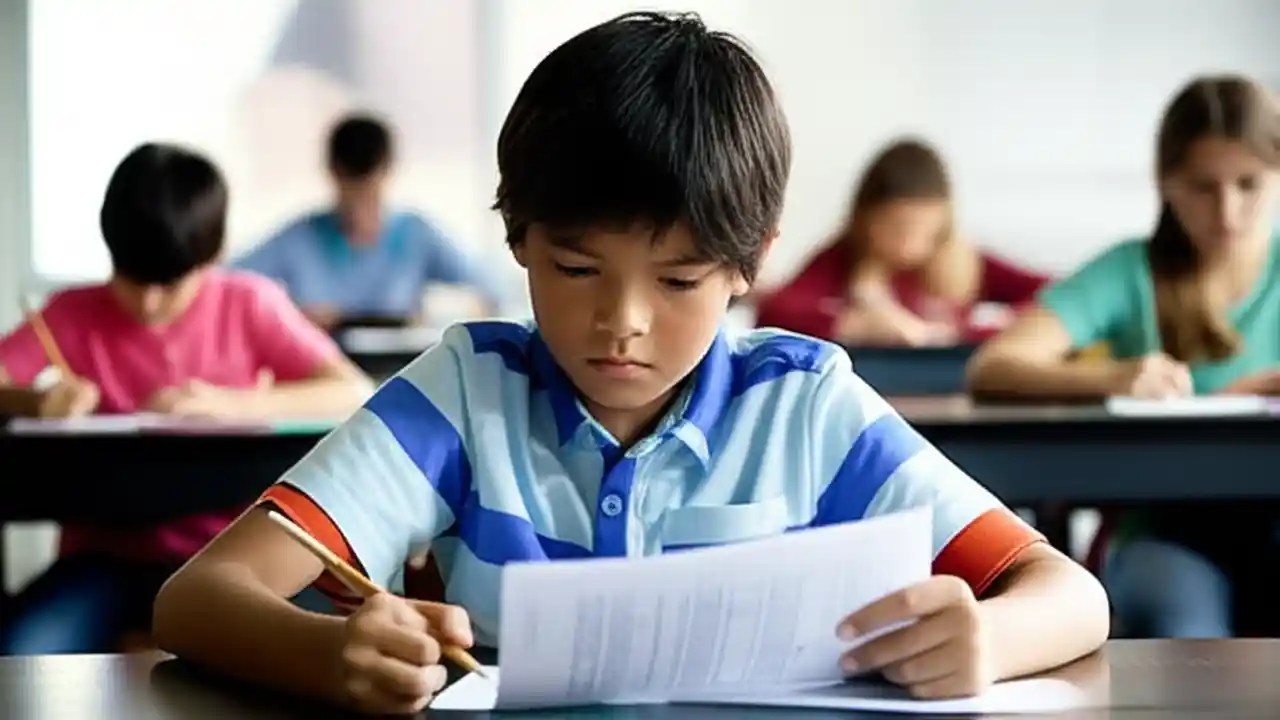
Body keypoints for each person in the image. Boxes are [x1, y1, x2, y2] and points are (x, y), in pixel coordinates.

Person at [153, 12, 1108, 714]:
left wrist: (986, 638)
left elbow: (1070, 595)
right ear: (518, 239)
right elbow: (198, 600)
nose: (622, 323)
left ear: (751, 262)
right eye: (575, 268)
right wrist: (332, 655)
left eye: (681, 279)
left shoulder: (807, 407)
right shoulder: (466, 394)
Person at [0, 142, 372, 654]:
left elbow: (351, 389)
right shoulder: (71, 312)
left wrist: (231, 404)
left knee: (323, 653)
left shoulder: (247, 303)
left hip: (228, 558)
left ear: (209, 256)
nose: (149, 302)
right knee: (20, 652)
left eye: (170, 283)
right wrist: (31, 402)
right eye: (132, 280)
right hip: (102, 563)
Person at [966, 75, 1280, 637]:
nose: (1227, 211)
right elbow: (994, 365)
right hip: (1164, 535)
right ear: (1167, 185)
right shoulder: (1129, 271)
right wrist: (1116, 376)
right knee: (1187, 635)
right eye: (1203, 187)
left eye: (1249, 184)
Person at [755, 138, 1049, 346]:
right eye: (897, 229)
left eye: (926, 231)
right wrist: (854, 324)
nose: (910, 245)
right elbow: (775, 312)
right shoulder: (841, 259)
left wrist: (955, 334)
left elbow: (1056, 299)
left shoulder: (966, 262)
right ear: (866, 220)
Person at [233, 113, 504, 329]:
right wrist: (286, 314)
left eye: (370, 196)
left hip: (402, 371)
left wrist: (440, 315)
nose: (360, 213)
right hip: (324, 374)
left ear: (389, 173)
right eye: (350, 197)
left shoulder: (417, 235)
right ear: (332, 175)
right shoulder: (299, 239)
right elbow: (226, 283)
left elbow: (495, 287)